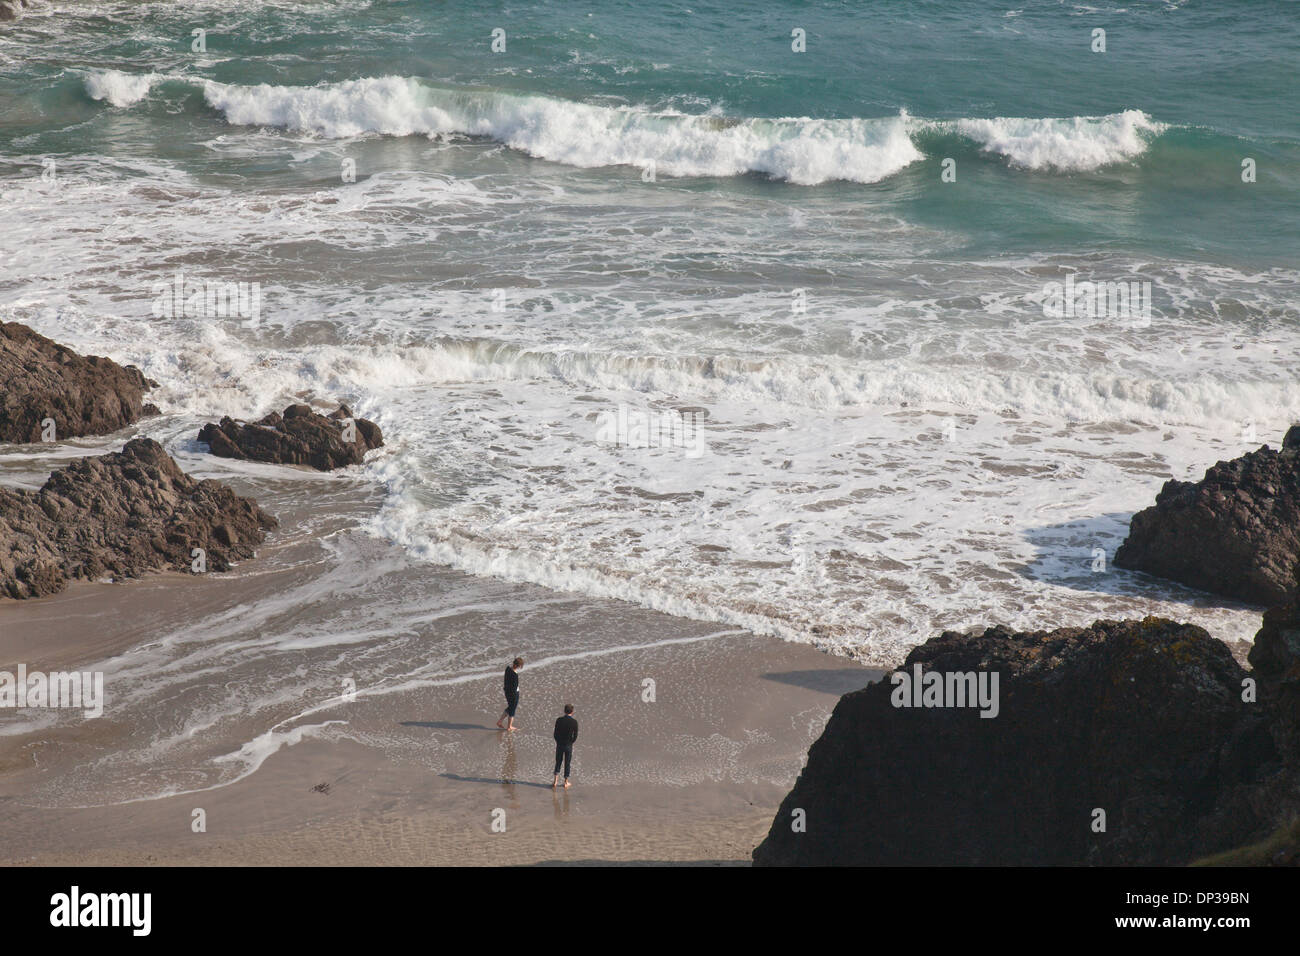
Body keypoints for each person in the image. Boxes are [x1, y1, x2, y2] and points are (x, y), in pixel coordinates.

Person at [552, 703, 578, 789]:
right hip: (568, 745)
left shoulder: (559, 720)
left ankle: (555, 781)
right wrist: (571, 742)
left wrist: (558, 741)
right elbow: (575, 736)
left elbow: (555, 733)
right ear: (572, 712)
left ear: (564, 710)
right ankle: (566, 782)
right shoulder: (574, 722)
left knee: (558, 761)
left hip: (560, 744)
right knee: (567, 763)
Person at [496, 658, 523, 731]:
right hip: (513, 694)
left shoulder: (507, 669)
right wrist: (515, 695)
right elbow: (514, 687)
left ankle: (500, 721)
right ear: (518, 665)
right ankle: (509, 726)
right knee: (512, 709)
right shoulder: (515, 675)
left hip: (507, 691)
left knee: (510, 707)